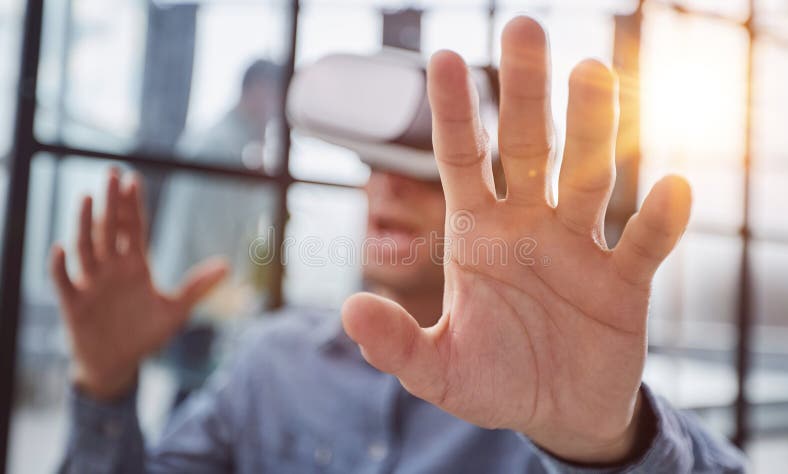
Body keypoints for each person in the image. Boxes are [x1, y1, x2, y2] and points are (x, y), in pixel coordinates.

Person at [52, 17, 745, 473]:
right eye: (375, 167)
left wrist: (605, 447)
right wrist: (104, 388)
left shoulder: (561, 399)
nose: (387, 189)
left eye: (428, 172)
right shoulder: (271, 366)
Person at [151, 59, 283, 405]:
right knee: (192, 403)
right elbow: (214, 240)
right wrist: (238, 302)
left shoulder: (224, 143)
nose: (275, 113)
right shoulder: (221, 148)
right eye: (275, 99)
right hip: (199, 302)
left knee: (190, 399)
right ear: (258, 91)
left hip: (196, 300)